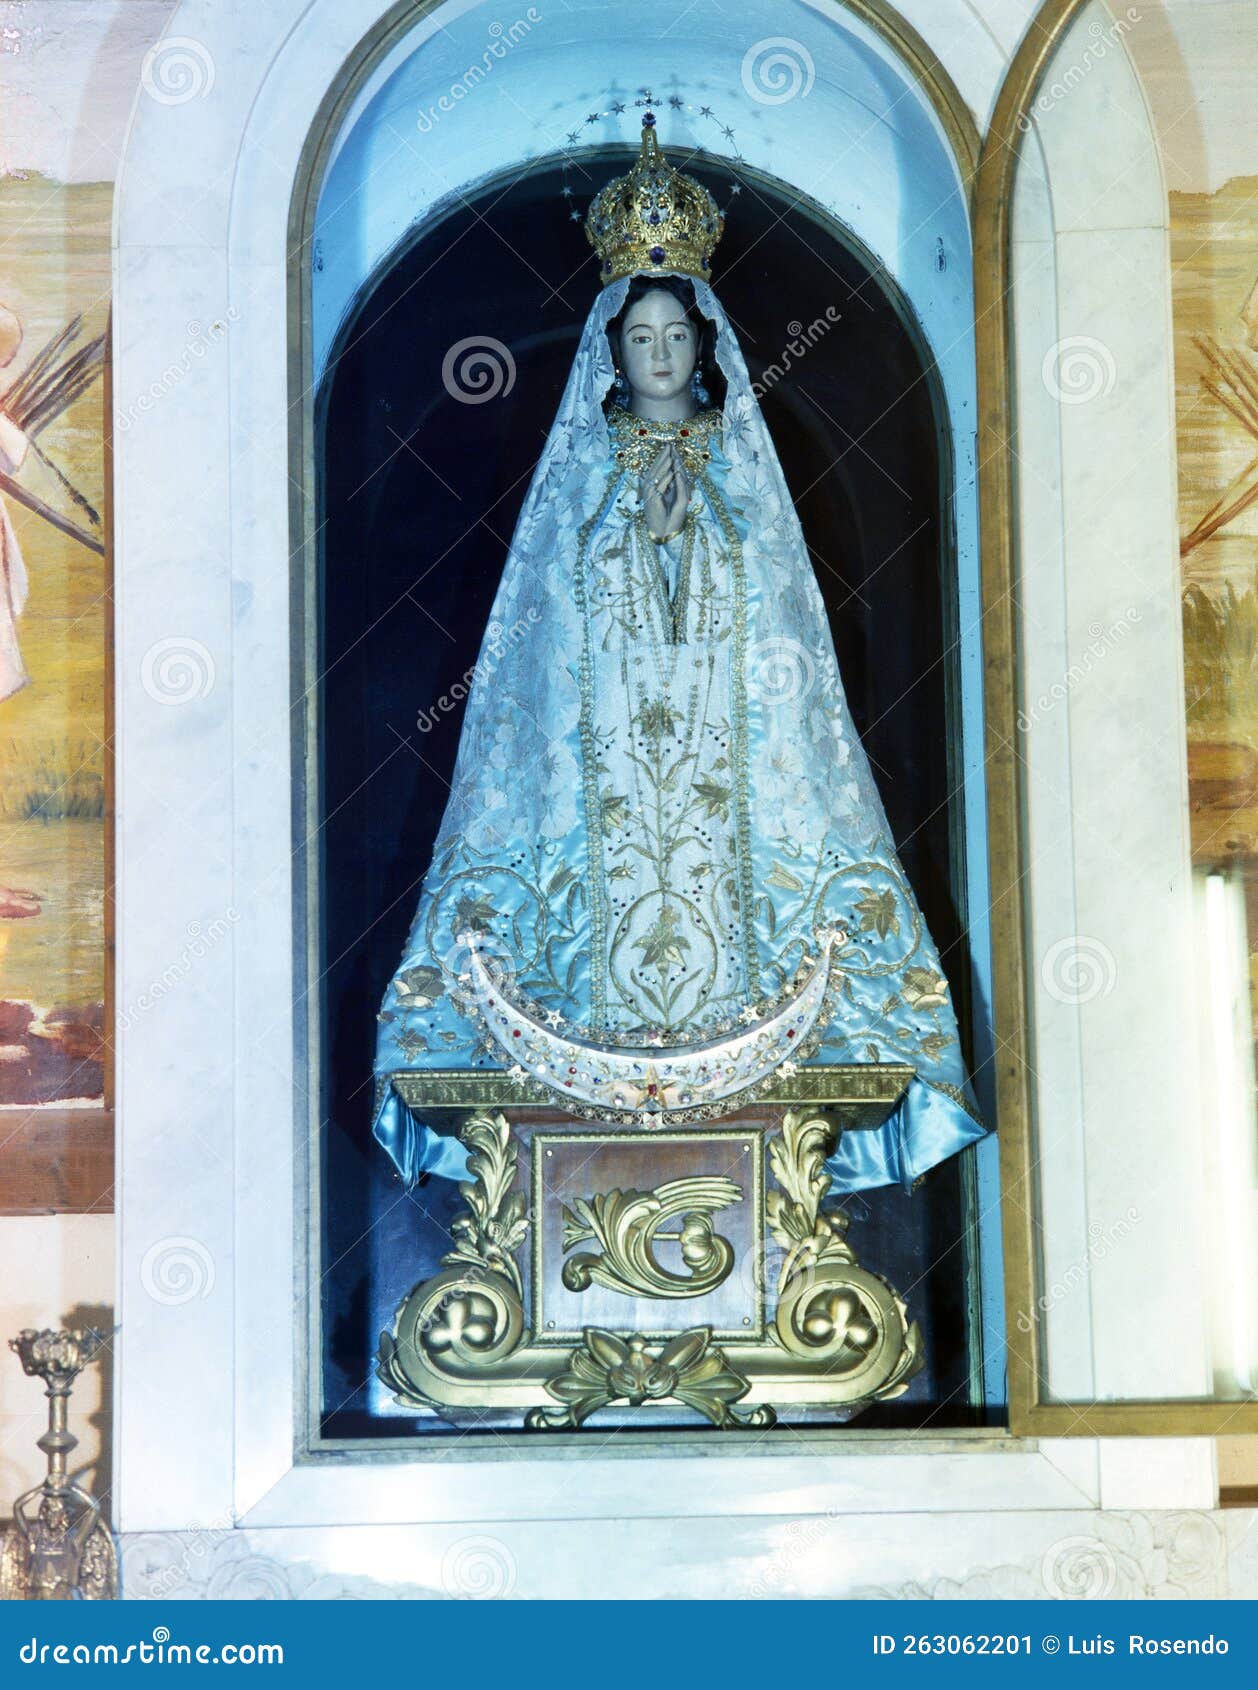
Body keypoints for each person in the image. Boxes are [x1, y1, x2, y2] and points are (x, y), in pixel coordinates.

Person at [372, 116, 987, 1192]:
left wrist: (695, 535)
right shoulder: (577, 486)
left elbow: (782, 641)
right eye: (639, 338)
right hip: (604, 794)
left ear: (704, 347)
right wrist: (630, 534)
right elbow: (541, 656)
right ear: (612, 350)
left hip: (724, 794)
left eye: (675, 336)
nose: (659, 354)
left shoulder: (747, 480)